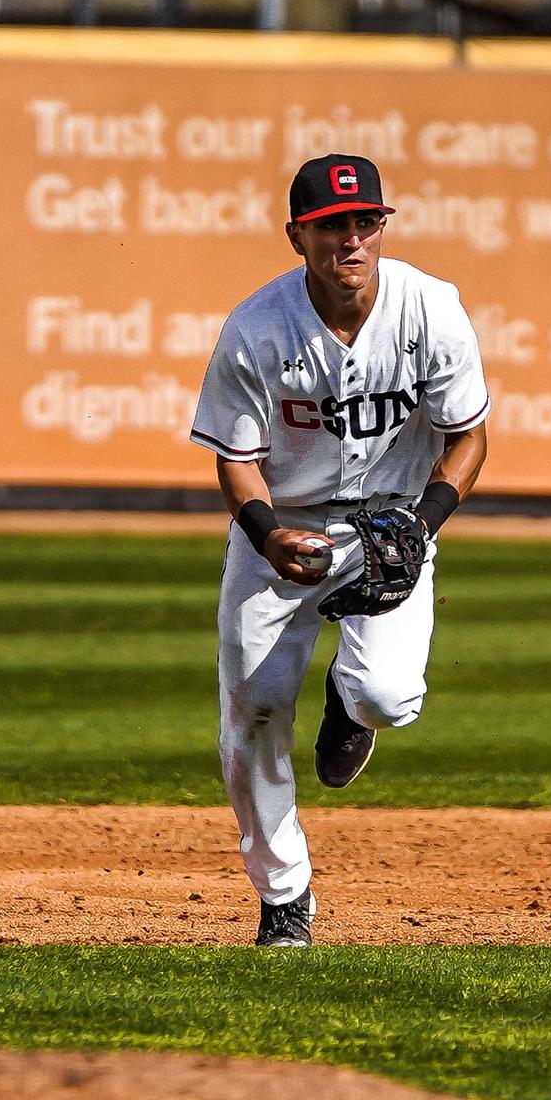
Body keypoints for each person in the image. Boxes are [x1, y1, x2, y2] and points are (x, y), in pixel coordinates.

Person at [191, 153, 489, 948]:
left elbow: (469, 437)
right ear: (298, 236)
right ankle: (284, 896)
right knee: (252, 716)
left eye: (365, 222)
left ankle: (348, 702)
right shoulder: (257, 328)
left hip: (392, 524)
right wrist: (267, 534)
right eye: (331, 226)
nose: (351, 239)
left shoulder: (430, 309)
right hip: (282, 526)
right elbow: (234, 459)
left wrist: (423, 525)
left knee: (389, 696)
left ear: (382, 227)